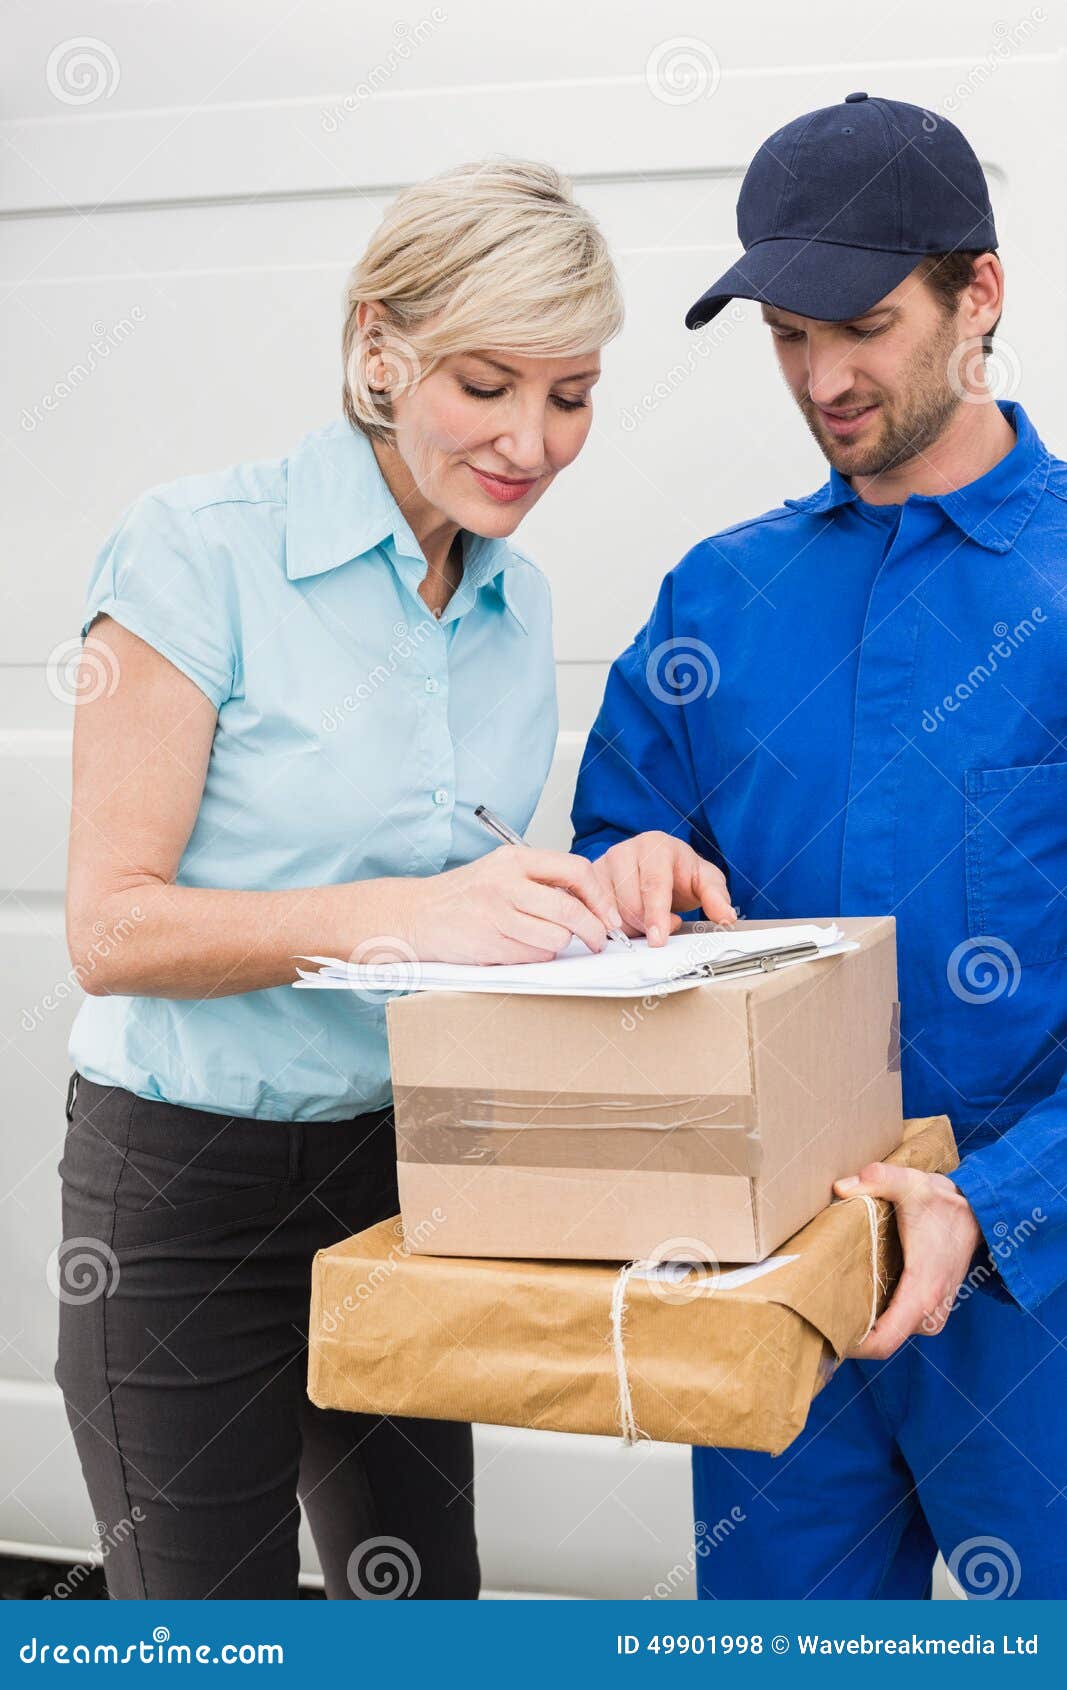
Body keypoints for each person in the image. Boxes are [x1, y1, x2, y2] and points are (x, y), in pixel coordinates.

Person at [57, 157, 737, 1601]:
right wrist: (403, 914)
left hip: (399, 1173)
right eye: (487, 382)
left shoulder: (512, 597)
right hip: (188, 1195)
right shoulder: (201, 553)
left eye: (572, 392)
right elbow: (111, 927)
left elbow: (465, 888)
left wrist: (604, 883)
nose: (535, 440)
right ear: (380, 347)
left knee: (422, 1603)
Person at [572, 95, 1067, 1598]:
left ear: (978, 292)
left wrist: (1003, 1193)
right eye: (788, 334)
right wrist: (630, 870)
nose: (823, 378)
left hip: (1037, 1295)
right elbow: (620, 840)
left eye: (863, 323)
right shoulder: (719, 599)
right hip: (779, 1288)